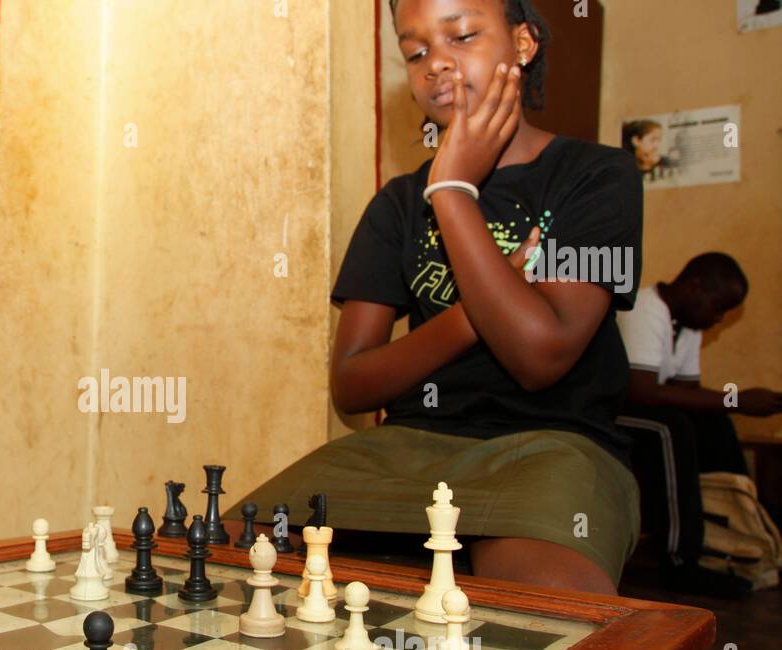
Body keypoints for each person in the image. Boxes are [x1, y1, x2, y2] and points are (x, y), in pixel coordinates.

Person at [228, 0, 645, 600]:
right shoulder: (398, 203)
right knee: (221, 562)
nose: (436, 65)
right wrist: (485, 305)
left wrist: (451, 190)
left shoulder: (597, 176)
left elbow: (540, 355)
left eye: (464, 35)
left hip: (553, 446)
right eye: (415, 51)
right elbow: (353, 386)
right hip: (404, 448)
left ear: (523, 44)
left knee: (553, 617)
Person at [616, 253, 782, 596]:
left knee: (714, 423)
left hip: (644, 407)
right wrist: (737, 399)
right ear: (695, 288)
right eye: (718, 307)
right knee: (670, 427)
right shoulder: (646, 308)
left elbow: (686, 390)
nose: (718, 319)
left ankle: (742, 530)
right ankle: (681, 561)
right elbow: (642, 391)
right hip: (609, 409)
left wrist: (736, 403)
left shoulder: (687, 324)